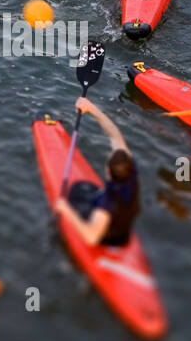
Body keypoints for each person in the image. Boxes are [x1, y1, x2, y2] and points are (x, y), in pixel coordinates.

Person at [53, 98, 141, 247]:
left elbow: (91, 238)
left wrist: (65, 209)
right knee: (84, 187)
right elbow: (114, 134)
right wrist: (92, 109)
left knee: (75, 192)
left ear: (109, 172)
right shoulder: (131, 173)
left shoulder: (108, 201)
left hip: (107, 239)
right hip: (122, 232)